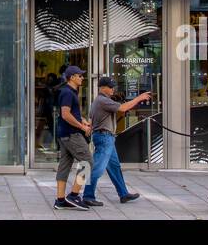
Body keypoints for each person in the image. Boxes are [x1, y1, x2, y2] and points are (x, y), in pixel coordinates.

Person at [82, 77, 150, 206]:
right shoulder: (103, 100)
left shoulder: (98, 101)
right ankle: (87, 196)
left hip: (105, 137)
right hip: (104, 137)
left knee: (115, 167)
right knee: (97, 168)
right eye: (110, 86)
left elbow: (92, 119)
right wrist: (139, 98)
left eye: (113, 86)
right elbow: (123, 108)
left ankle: (123, 194)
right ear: (103, 87)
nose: (113, 89)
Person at [54, 65, 94, 210]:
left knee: (64, 166)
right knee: (88, 162)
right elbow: (65, 114)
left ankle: (60, 201)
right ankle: (74, 196)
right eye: (80, 75)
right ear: (72, 77)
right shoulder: (67, 93)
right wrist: (82, 127)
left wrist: (82, 119)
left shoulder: (69, 92)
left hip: (65, 134)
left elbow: (71, 112)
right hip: (71, 134)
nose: (82, 78)